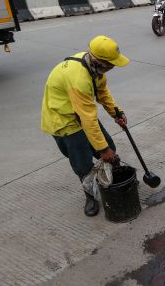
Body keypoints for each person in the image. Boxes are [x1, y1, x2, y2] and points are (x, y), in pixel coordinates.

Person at [41, 35, 130, 217]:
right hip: (64, 120)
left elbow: (102, 92)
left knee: (110, 149)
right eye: (111, 64)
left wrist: (117, 113)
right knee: (83, 164)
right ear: (100, 62)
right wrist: (103, 150)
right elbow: (88, 117)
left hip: (81, 112)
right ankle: (90, 196)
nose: (113, 67)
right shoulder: (79, 79)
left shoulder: (95, 68)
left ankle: (111, 181)